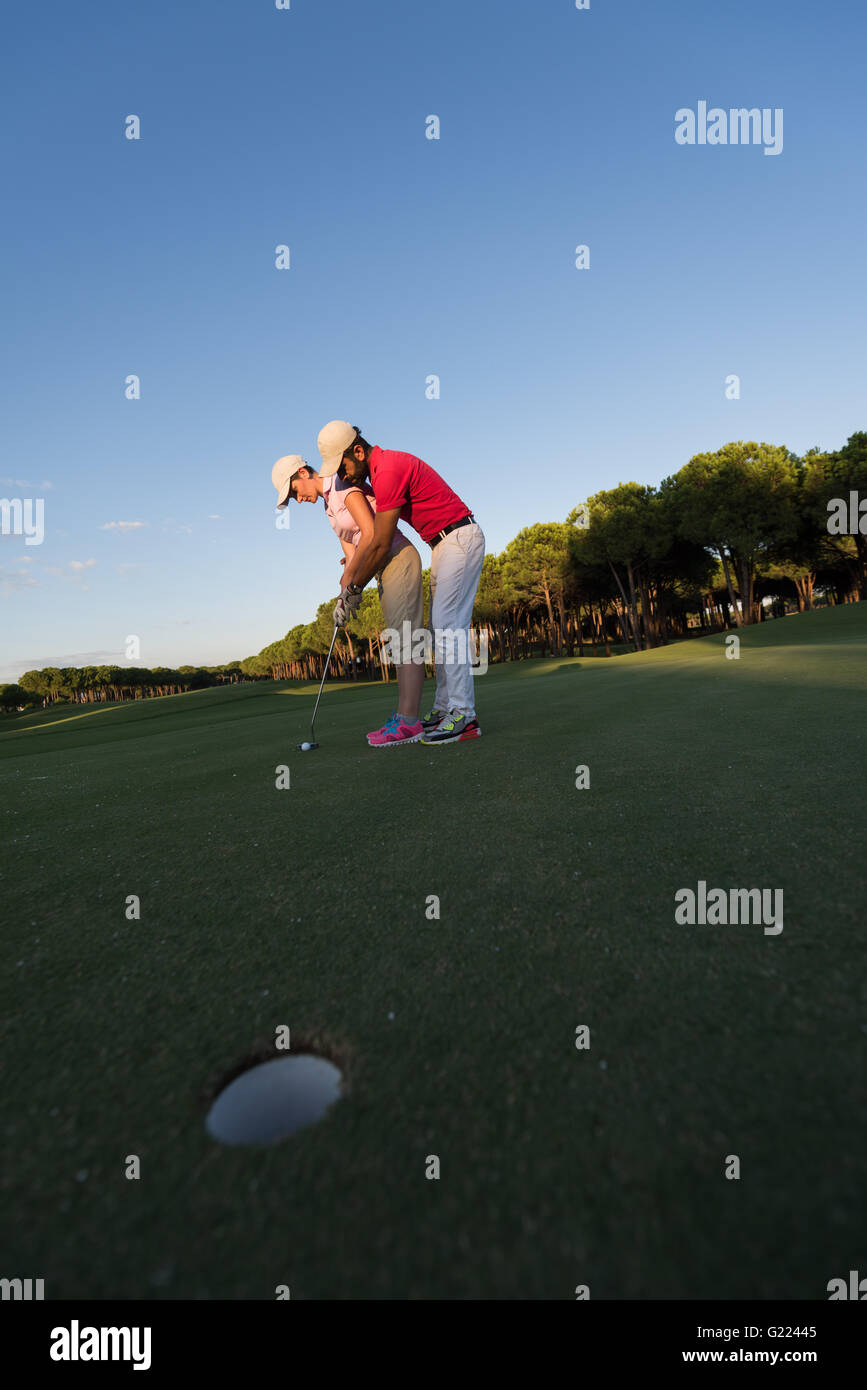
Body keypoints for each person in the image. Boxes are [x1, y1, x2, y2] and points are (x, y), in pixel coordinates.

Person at [317, 421, 485, 745]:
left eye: (344, 467)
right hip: (443, 544)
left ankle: (465, 717)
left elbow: (380, 543)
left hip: (459, 539)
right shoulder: (380, 472)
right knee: (440, 629)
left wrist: (354, 588)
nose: (344, 475)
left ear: (357, 451)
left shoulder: (388, 469)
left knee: (449, 627)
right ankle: (444, 709)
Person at [271, 453, 425, 746]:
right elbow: (353, 555)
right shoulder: (329, 508)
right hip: (380, 568)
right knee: (398, 639)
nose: (297, 499)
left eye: (294, 491)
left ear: (303, 472)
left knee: (407, 638)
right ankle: (404, 717)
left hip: (397, 557)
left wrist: (352, 584)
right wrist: (344, 595)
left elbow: (369, 534)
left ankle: (410, 722)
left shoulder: (340, 485)